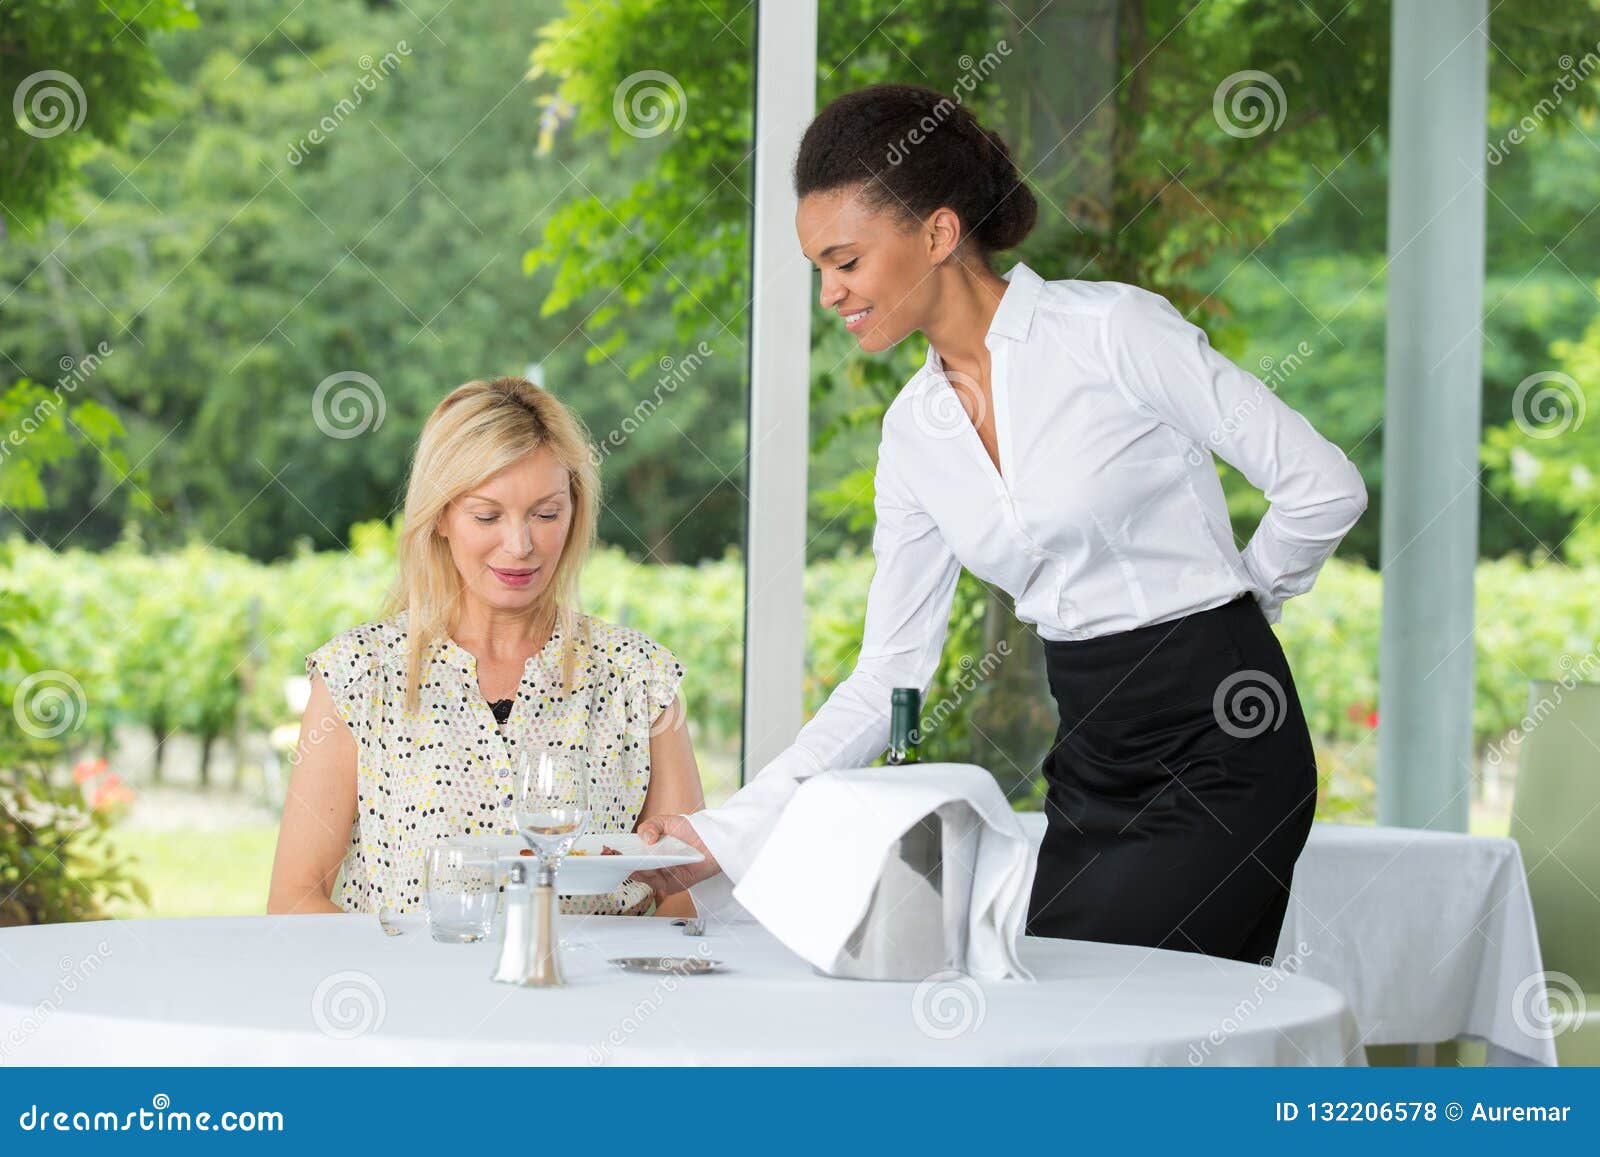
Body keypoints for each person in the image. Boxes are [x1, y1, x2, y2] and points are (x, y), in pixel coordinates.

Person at [632, 84, 1367, 964]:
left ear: (938, 235)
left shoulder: (1112, 332)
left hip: (1227, 739)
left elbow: (1324, 486)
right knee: (1062, 1025)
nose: (830, 293)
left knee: (1121, 1029)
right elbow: (888, 675)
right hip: (1090, 759)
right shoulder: (911, 434)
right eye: (819, 269)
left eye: (846, 262)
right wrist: (727, 829)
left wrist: (1240, 610)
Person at [268, 376, 704, 919]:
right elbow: (295, 899)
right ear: (441, 516)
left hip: (594, 1003)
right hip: (414, 1004)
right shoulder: (357, 676)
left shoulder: (641, 678)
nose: (520, 545)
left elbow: (683, 896)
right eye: (487, 515)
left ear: (575, 513)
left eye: (546, 515)